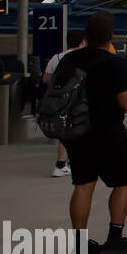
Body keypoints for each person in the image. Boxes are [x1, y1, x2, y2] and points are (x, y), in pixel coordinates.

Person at [54, 12, 127, 254]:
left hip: (76, 131)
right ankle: (115, 237)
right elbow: (126, 103)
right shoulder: (114, 63)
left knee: (83, 185)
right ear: (111, 37)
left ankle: (80, 243)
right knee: (125, 179)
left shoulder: (69, 61)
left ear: (86, 36)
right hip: (107, 131)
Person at [43, 30, 85, 178]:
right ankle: (61, 164)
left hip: (60, 101)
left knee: (67, 130)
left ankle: (66, 163)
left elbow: (46, 79)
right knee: (75, 131)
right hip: (78, 100)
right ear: (82, 42)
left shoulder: (57, 57)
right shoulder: (83, 58)